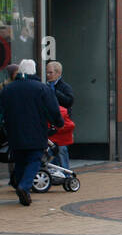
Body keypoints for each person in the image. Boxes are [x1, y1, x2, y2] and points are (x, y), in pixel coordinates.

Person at [1, 60, 60, 206]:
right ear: (33, 71)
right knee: (34, 159)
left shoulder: (8, 89)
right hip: (36, 132)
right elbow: (52, 109)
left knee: (20, 160)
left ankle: (22, 189)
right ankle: (24, 186)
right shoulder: (41, 88)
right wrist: (58, 123)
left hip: (14, 133)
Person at [43, 61, 74, 170]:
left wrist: (55, 92)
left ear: (58, 73)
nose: (47, 75)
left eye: (50, 73)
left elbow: (69, 101)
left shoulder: (64, 87)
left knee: (61, 149)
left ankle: (65, 172)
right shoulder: (44, 86)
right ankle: (54, 173)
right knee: (51, 149)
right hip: (49, 124)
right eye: (46, 73)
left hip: (62, 124)